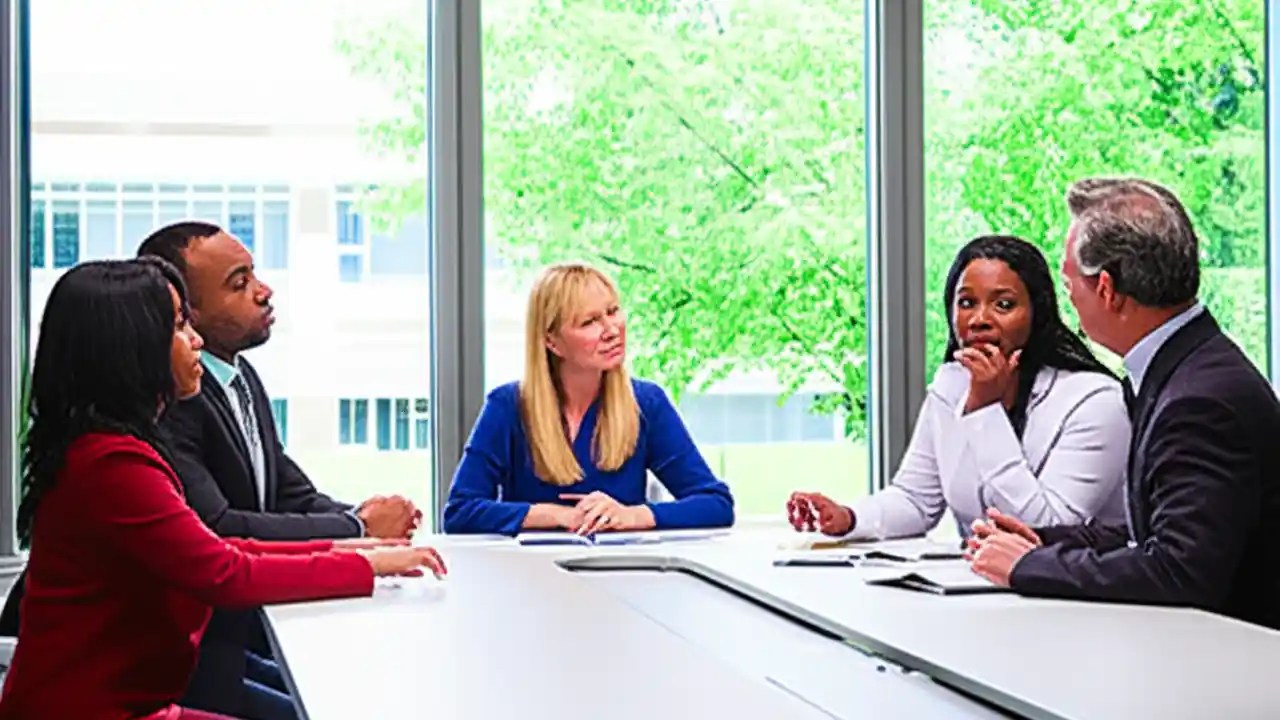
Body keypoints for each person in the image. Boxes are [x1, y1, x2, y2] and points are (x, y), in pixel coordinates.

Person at [0, 258, 446, 720]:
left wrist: (357, 551)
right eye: (178, 326)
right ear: (132, 347)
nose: (195, 340)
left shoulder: (112, 450)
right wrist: (360, 563)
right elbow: (224, 571)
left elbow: (217, 549)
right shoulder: (111, 464)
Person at [132, 221, 418, 718]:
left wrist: (364, 524)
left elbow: (284, 489)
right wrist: (357, 534)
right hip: (192, 659)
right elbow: (218, 531)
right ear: (186, 312)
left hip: (237, 637)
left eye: (254, 276)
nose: (264, 293)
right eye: (238, 284)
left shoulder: (241, 376)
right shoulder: (172, 406)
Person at [967, 178, 1280, 630]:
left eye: (1069, 277)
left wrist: (1029, 567)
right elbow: (1151, 533)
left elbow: (1181, 570)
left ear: (1108, 290)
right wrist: (1043, 542)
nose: (1066, 294)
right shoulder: (1187, 369)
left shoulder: (1199, 401)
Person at [788, 235, 1129, 541]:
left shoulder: (1094, 401)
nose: (979, 319)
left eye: (1004, 305)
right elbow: (916, 499)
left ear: (1037, 314)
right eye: (966, 303)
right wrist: (848, 518)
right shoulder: (952, 384)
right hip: (982, 593)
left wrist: (983, 411)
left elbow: (1045, 528)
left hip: (1079, 600)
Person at [443, 262, 734, 535]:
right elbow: (460, 511)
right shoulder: (508, 406)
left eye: (613, 311)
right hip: (533, 576)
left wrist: (633, 515)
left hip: (621, 575)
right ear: (551, 341)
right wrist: (556, 516)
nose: (611, 330)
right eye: (589, 322)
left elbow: (716, 504)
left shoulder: (646, 403)